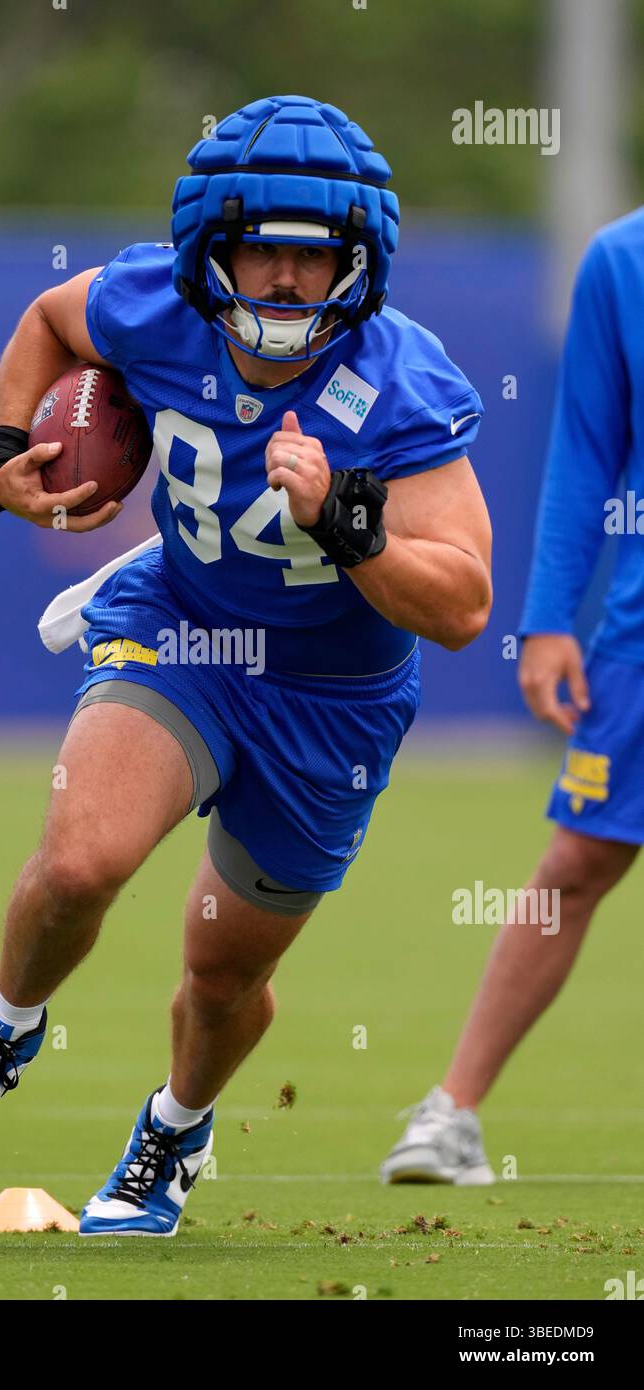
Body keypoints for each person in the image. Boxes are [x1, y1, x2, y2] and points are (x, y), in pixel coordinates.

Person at [0, 94, 492, 1236]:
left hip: (333, 701)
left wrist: (349, 522)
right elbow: (46, 318)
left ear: (355, 267)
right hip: (182, 629)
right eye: (257, 249)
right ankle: (1, 1030)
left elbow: (462, 604)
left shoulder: (402, 381)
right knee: (82, 860)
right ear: (207, 250)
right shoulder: (150, 303)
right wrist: (7, 447)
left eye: (310, 260)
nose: (279, 281)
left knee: (221, 977)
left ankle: (173, 1129)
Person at [381, 208, 644, 1186]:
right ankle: (449, 1115)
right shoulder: (620, 260)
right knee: (575, 860)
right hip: (636, 634)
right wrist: (543, 617)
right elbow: (586, 450)